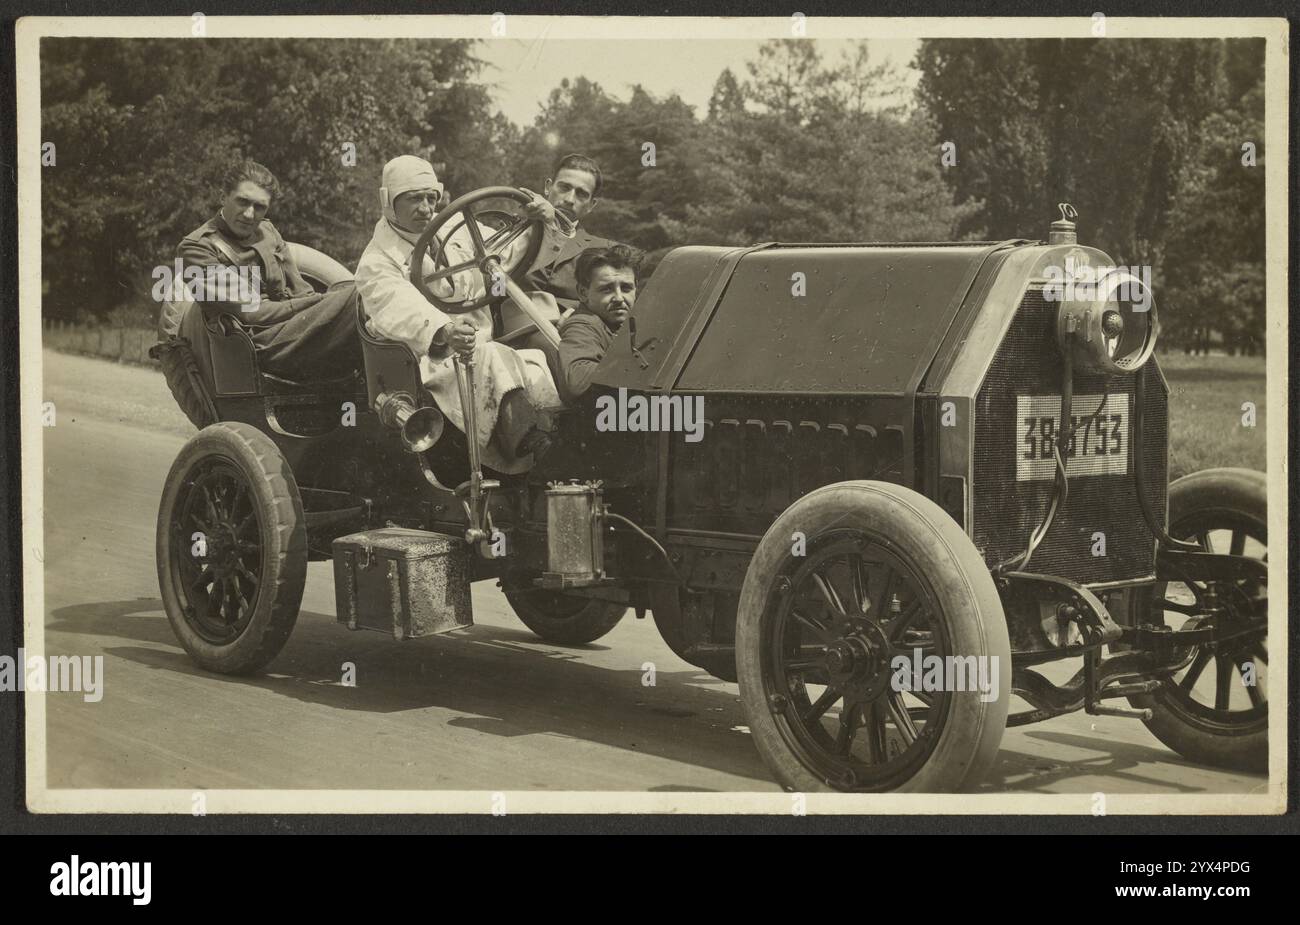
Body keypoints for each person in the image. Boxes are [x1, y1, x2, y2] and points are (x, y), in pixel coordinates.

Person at [355, 155, 560, 475]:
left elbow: (506, 252)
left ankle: (549, 441)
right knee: (490, 358)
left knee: (535, 359)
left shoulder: (456, 227)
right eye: (413, 199)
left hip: (480, 341)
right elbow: (399, 303)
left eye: (431, 198)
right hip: (427, 357)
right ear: (389, 202)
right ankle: (531, 443)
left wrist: (544, 222)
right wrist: (445, 329)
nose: (425, 208)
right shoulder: (376, 260)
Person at [176, 160, 361, 381]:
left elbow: (301, 290)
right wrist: (320, 303)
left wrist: (320, 301)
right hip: (258, 346)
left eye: (259, 207)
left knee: (361, 289)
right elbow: (252, 312)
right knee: (361, 294)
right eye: (242, 201)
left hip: (295, 332)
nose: (249, 214)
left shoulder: (267, 231)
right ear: (223, 197)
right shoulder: (197, 247)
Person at [518, 153, 630, 313]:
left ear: (592, 205)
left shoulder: (606, 251)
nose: (570, 199)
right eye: (564, 188)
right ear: (548, 187)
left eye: (581, 194)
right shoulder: (513, 234)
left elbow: (616, 308)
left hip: (573, 333)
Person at [556, 245, 638, 404]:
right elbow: (578, 381)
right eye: (607, 289)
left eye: (626, 288)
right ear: (583, 293)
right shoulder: (582, 325)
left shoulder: (627, 323)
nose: (619, 298)